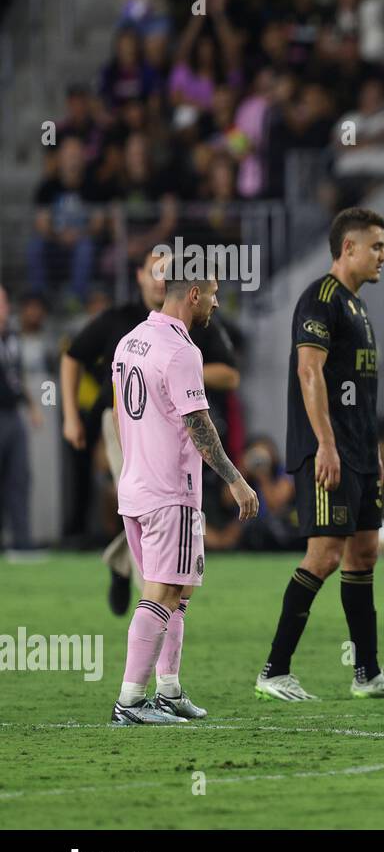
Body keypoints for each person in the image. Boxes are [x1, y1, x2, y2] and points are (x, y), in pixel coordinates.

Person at [254, 207, 384, 702]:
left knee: (364, 553)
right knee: (324, 555)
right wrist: (326, 444)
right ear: (347, 248)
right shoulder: (320, 299)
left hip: (359, 453)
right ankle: (274, 670)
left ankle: (367, 673)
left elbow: (357, 388)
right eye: (377, 246)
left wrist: (372, 446)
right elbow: (310, 373)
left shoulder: (357, 307)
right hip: (326, 452)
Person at [109, 275, 258, 725]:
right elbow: (199, 424)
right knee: (162, 591)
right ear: (193, 295)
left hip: (136, 487)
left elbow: (121, 413)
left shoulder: (130, 341)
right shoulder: (183, 351)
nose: (215, 304)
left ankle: (168, 691)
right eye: (213, 295)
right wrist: (236, 480)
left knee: (177, 590)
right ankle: (131, 702)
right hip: (169, 491)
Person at [61, 250, 240, 615]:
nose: (160, 278)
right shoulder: (120, 321)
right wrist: (70, 416)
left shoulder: (176, 328)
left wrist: (171, 376)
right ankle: (156, 617)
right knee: (161, 534)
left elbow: (232, 375)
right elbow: (73, 356)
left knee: (143, 509)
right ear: (140, 275)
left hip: (165, 423)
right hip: (126, 424)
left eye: (167, 270)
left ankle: (124, 565)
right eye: (154, 270)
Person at [0, 285, 35, 550]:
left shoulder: (11, 338)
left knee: (19, 476)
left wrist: (33, 406)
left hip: (13, 414)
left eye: (4, 303)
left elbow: (17, 377)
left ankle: (22, 541)